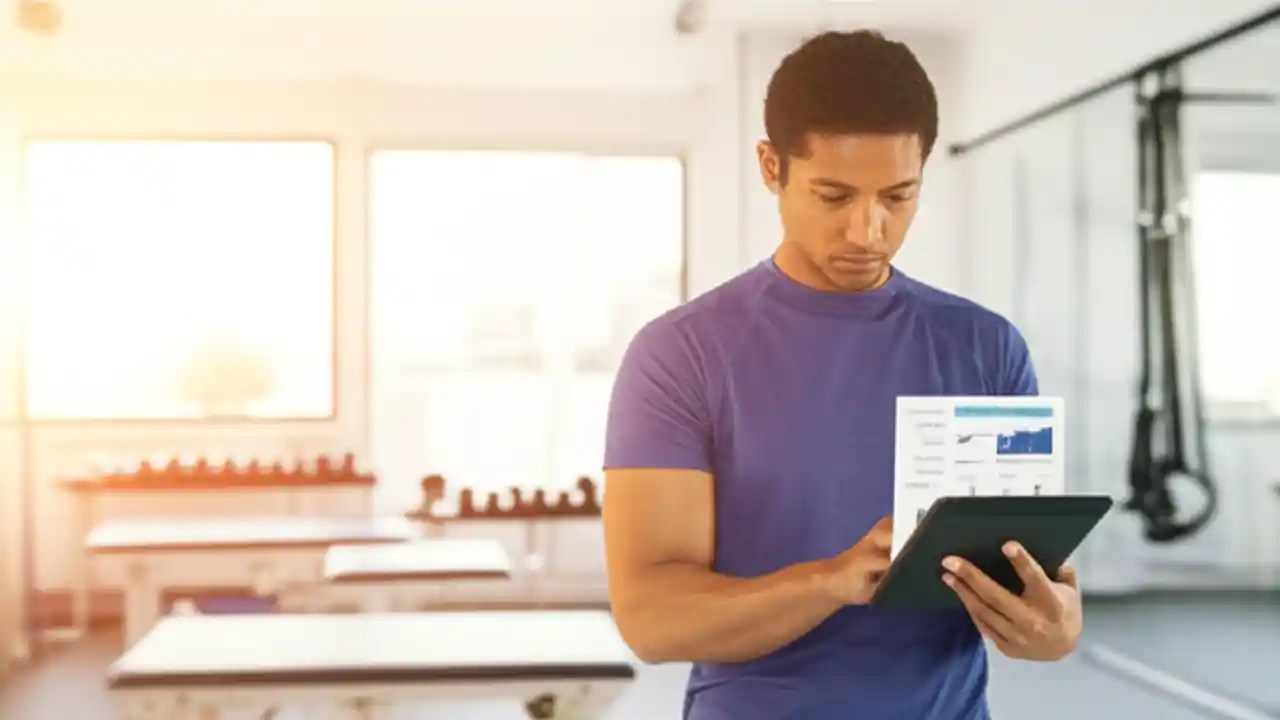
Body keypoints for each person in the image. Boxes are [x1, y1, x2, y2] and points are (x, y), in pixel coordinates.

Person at [601, 30, 1083, 719]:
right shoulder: (680, 355)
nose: (868, 230)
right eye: (833, 195)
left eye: (898, 195)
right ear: (772, 168)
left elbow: (1043, 594)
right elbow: (652, 621)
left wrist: (1055, 627)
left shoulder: (988, 348)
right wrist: (830, 582)